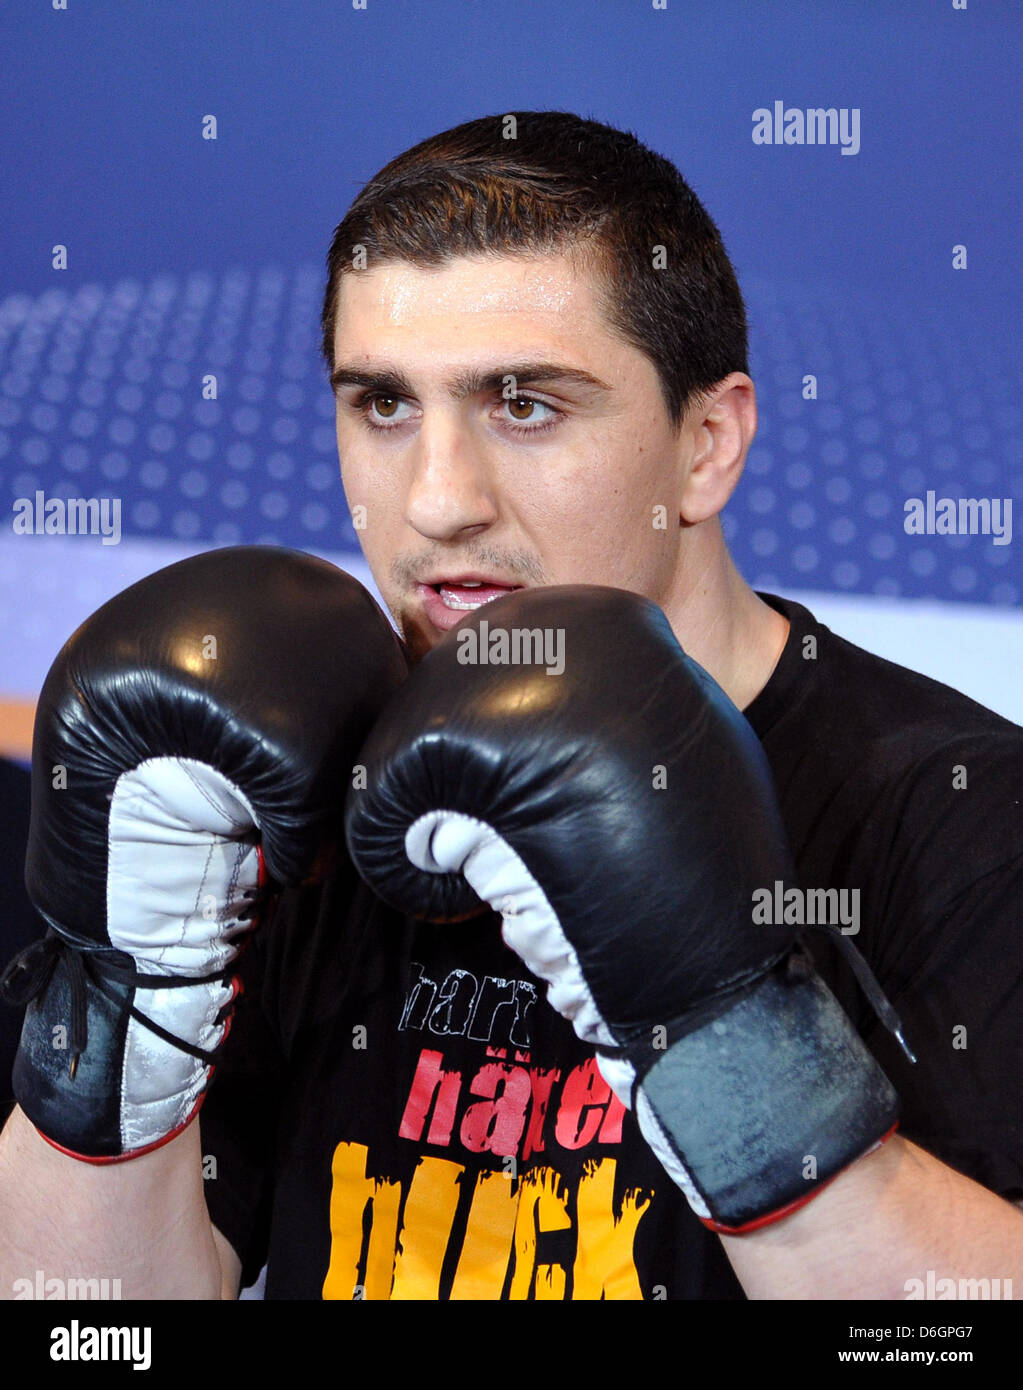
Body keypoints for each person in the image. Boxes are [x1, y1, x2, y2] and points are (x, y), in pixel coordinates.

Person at [2, 110, 1022, 1301]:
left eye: (525, 403)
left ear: (708, 444)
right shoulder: (271, 784)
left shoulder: (955, 814)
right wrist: (119, 1009)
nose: (438, 503)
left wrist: (744, 1073)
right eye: (383, 405)